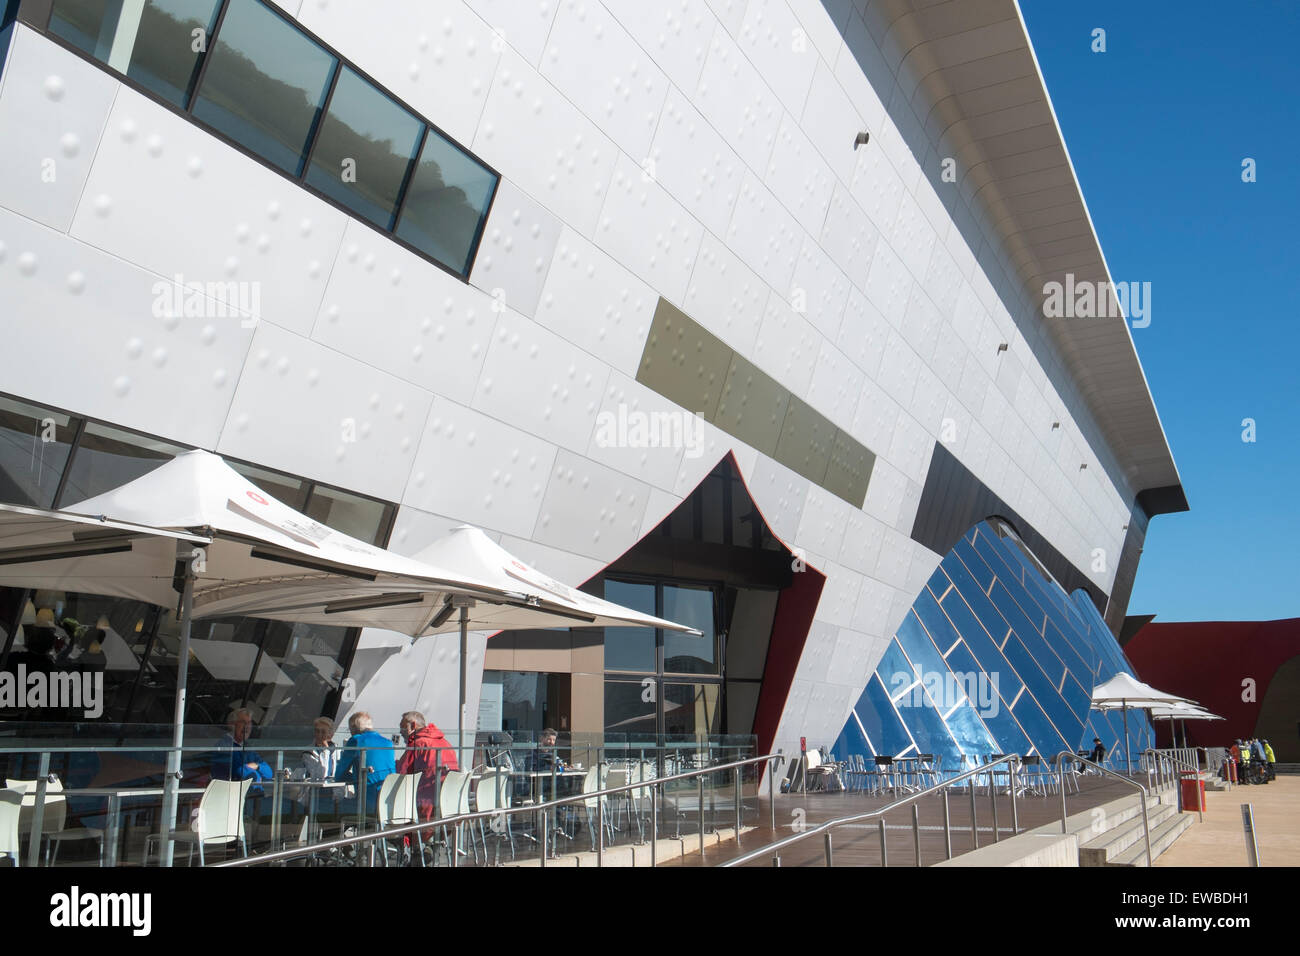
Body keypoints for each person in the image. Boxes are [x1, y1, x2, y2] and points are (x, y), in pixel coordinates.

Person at [395, 710, 458, 823]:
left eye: (403, 728)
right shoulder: (444, 742)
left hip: (426, 807)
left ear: (413, 726)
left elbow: (400, 773)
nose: (400, 732)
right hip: (449, 807)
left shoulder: (419, 743)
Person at [334, 711, 395, 815]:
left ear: (353, 728)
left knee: (329, 805)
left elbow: (339, 775)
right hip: (388, 804)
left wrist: (356, 777)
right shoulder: (388, 743)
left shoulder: (356, 740)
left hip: (366, 804)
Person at [211, 708, 273, 795]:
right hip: (231, 797)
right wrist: (256, 772)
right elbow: (240, 771)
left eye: (249, 722)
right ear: (231, 725)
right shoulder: (224, 745)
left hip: (253, 797)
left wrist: (256, 766)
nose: (247, 726)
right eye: (243, 722)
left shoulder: (247, 747)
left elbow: (269, 773)